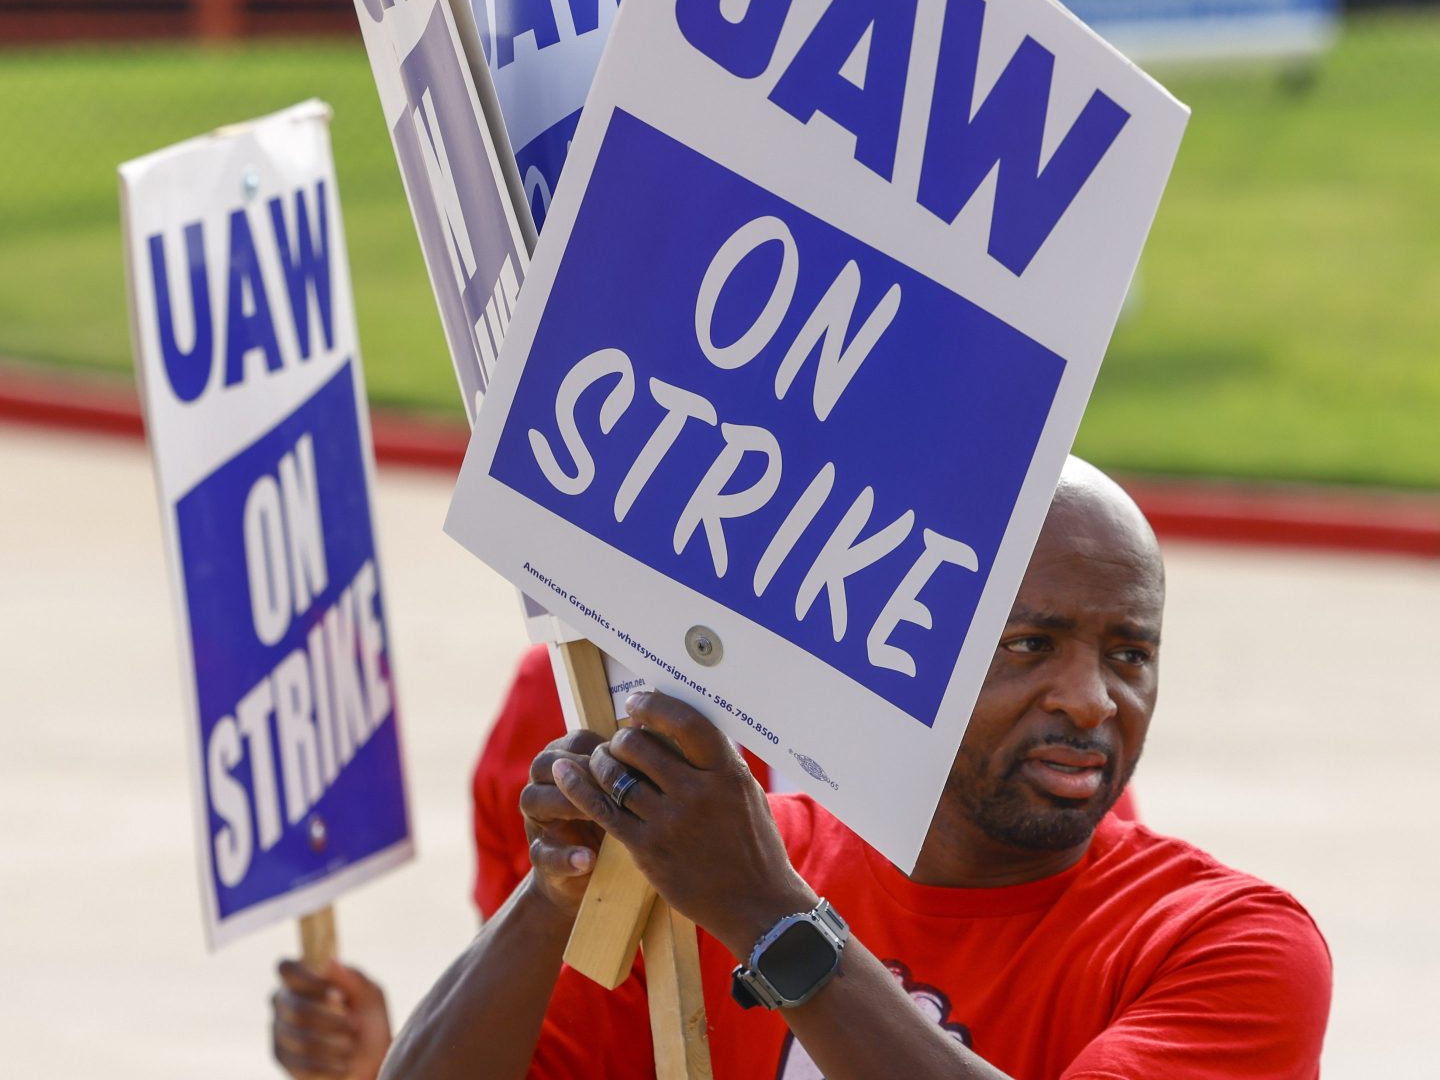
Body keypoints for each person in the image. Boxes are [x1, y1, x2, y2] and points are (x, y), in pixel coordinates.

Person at [278, 459, 1330, 1078]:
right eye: (1029, 644)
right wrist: (555, 894)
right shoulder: (722, 860)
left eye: (1129, 653)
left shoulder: (1233, 945)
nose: (1093, 698)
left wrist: (772, 920)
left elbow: (765, 902)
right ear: (898, 651)